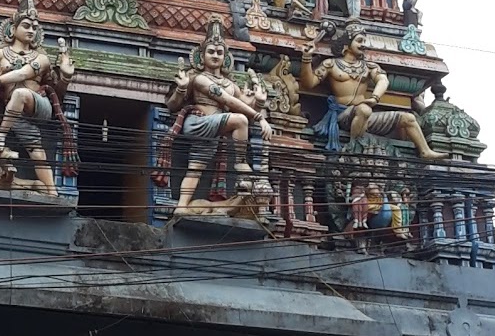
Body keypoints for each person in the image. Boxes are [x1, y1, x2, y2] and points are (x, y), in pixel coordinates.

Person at [153, 17, 274, 212]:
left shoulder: (230, 84)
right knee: (240, 120)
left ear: (225, 57)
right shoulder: (200, 79)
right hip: (198, 123)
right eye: (210, 51)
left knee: (195, 168)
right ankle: (241, 163)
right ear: (201, 56)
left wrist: (258, 101)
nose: (215, 55)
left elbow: (244, 103)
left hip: (213, 130)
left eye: (219, 52)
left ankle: (181, 206)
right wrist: (259, 118)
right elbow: (228, 101)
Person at [0, 0, 76, 195]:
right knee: (36, 151)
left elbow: (25, 74)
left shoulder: (41, 58)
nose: (31, 31)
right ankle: (51, 191)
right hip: (14, 112)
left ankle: (0, 136)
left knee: (20, 93)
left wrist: (65, 76)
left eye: (35, 28)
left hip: (39, 106)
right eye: (26, 26)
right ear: (13, 28)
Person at [300, 23, 448, 160]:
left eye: (364, 41)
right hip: (342, 115)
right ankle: (354, 148)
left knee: (408, 118)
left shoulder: (369, 67)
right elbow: (309, 83)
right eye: (359, 41)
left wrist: (375, 98)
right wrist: (307, 58)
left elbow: (383, 80)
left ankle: (424, 150)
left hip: (365, 116)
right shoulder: (331, 64)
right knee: (363, 110)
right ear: (347, 44)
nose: (363, 45)